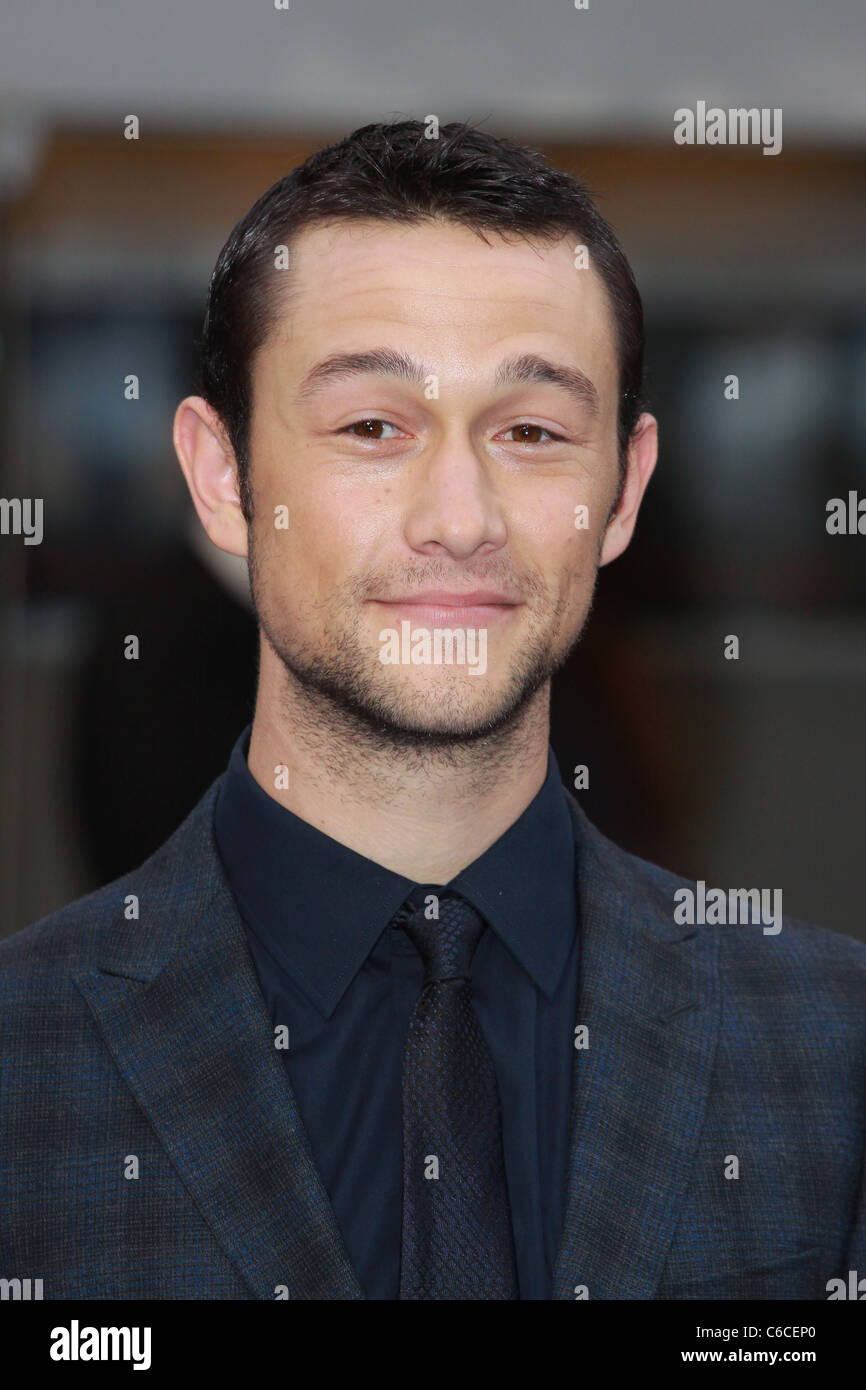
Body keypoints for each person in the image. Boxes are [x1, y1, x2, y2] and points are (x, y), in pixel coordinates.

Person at [1, 120, 863, 1302]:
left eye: (530, 433)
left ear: (621, 491)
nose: (458, 514)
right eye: (371, 427)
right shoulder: (20, 1062)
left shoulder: (835, 1051)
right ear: (222, 477)